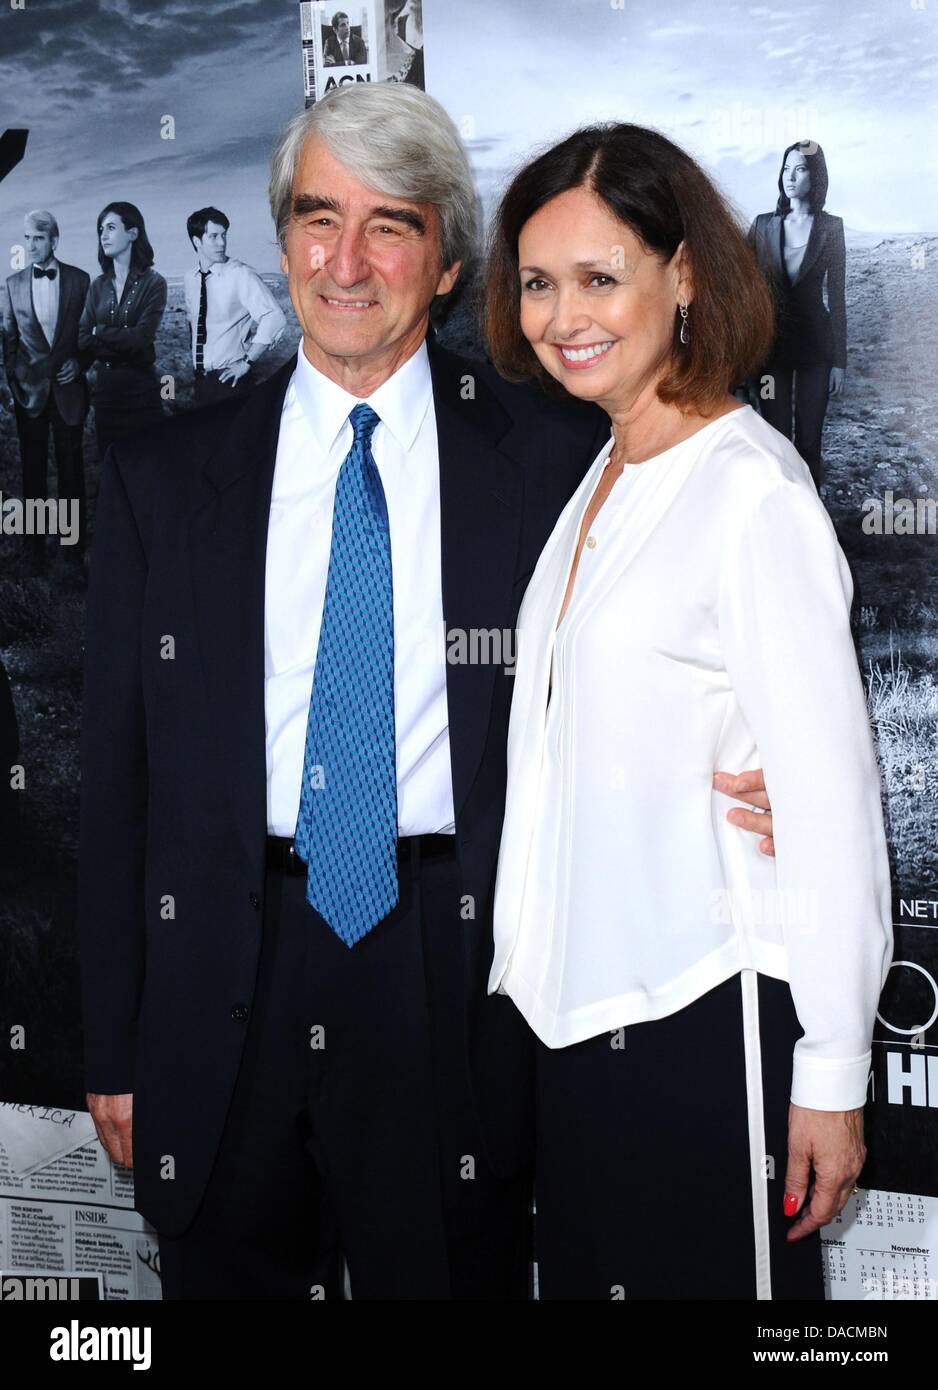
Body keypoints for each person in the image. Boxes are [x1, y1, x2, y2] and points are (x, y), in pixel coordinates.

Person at [78, 84, 773, 1302]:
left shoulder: (557, 458)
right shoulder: (158, 478)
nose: (344, 262)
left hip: (450, 966)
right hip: (225, 971)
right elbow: (114, 786)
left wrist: (754, 768)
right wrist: (116, 1042)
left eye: (388, 224)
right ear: (279, 238)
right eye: (314, 218)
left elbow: (684, 620)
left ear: (448, 262)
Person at [484, 122, 892, 1301]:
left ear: (686, 276)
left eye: (599, 277)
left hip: (700, 1021)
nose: (563, 316)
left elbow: (826, 797)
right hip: (570, 1025)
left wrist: (828, 1067)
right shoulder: (604, 468)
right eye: (539, 283)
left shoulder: (748, 489)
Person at [747, 141, 846, 489]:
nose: (790, 177)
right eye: (786, 169)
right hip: (770, 353)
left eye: (800, 169)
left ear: (815, 176)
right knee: (774, 440)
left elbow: (837, 296)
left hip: (815, 352)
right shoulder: (761, 225)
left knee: (808, 441)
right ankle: (778, 515)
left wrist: (839, 361)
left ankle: (811, 520)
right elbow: (746, 292)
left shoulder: (832, 228)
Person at [1, 210, 89, 570]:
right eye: (27, 238)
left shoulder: (81, 281)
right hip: (30, 393)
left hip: (69, 392)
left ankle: (73, 552)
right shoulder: (12, 284)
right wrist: (14, 384)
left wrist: (81, 363)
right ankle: (34, 551)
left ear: (54, 240)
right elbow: (9, 340)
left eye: (39, 238)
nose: (32, 245)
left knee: (72, 472)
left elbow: (90, 335)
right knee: (33, 471)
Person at [78, 202, 167, 460]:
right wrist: (110, 337)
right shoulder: (98, 286)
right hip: (106, 397)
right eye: (101, 229)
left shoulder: (154, 283)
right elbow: (83, 338)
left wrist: (100, 330)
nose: (103, 235)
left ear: (133, 233)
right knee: (110, 472)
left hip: (142, 394)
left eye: (111, 227)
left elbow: (140, 339)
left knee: (147, 473)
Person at [184, 207, 286, 406]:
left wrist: (247, 362)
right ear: (197, 242)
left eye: (223, 235)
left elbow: (274, 317)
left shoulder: (240, 275)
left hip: (232, 380)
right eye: (213, 236)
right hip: (201, 381)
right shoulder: (190, 279)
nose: (221, 243)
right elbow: (193, 324)